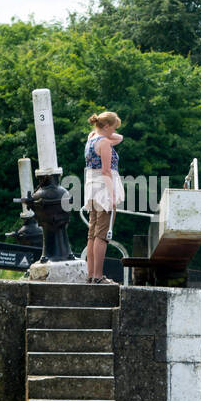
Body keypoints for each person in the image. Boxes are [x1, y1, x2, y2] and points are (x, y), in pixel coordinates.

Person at [83, 111, 125, 284]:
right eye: (112, 128)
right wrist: (112, 194)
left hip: (92, 189)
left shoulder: (91, 138)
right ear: (106, 126)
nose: (114, 132)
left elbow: (120, 137)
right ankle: (99, 276)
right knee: (102, 235)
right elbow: (107, 171)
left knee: (92, 234)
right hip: (103, 190)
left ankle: (91, 275)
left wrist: (106, 130)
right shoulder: (105, 143)